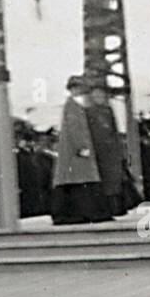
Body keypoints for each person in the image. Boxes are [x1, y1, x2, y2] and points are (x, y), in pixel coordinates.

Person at [51, 75, 112, 224]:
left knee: (75, 182)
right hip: (77, 154)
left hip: (73, 154)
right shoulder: (74, 107)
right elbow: (76, 129)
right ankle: (89, 213)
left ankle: (75, 214)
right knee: (83, 181)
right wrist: (82, 148)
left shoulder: (73, 105)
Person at [85, 82, 126, 216]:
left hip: (111, 150)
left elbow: (114, 130)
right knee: (104, 180)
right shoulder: (89, 111)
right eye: (96, 94)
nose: (99, 96)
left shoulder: (108, 110)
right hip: (99, 149)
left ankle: (116, 207)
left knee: (114, 180)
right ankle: (108, 208)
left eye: (101, 94)